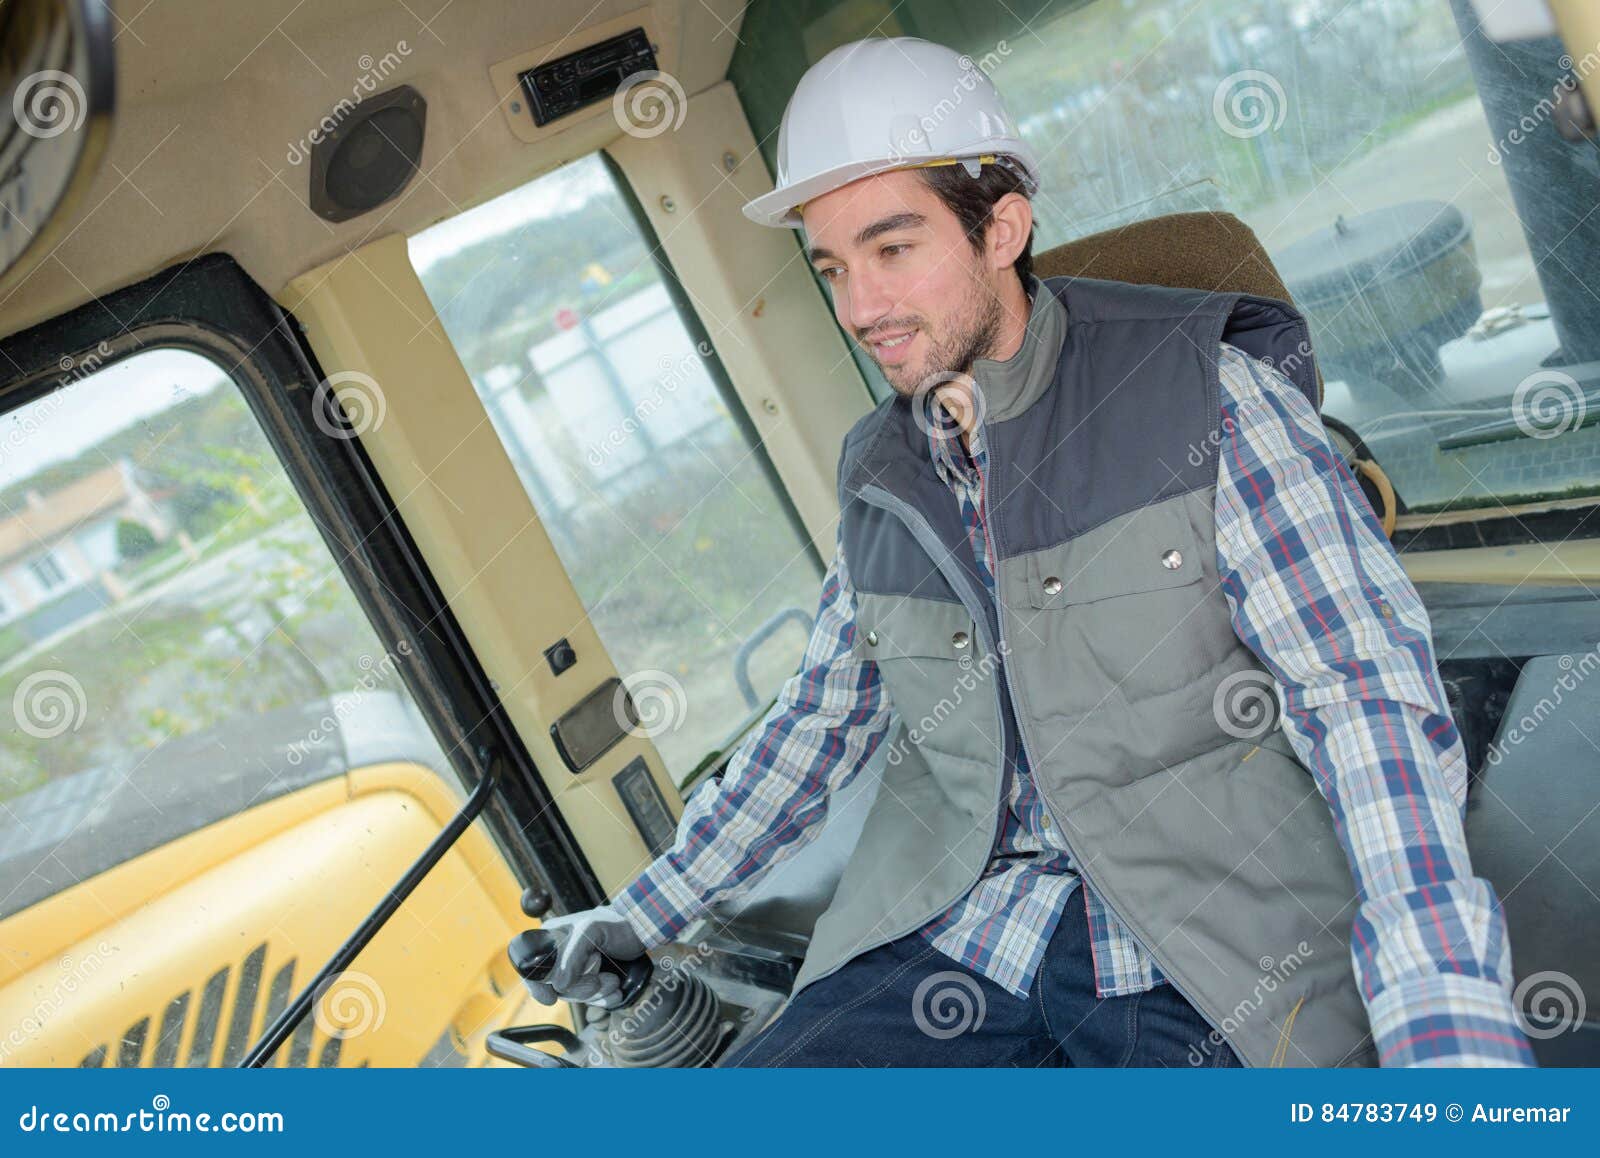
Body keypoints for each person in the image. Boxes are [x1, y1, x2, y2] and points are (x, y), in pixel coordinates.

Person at [527, 36, 1535, 1068]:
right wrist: (641, 914)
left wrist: (1435, 1008)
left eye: (893, 248)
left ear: (1000, 227)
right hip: (956, 930)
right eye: (831, 267)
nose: (859, 308)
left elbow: (1359, 697)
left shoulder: (1204, 394)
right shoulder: (881, 472)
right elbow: (817, 722)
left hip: (1201, 939)